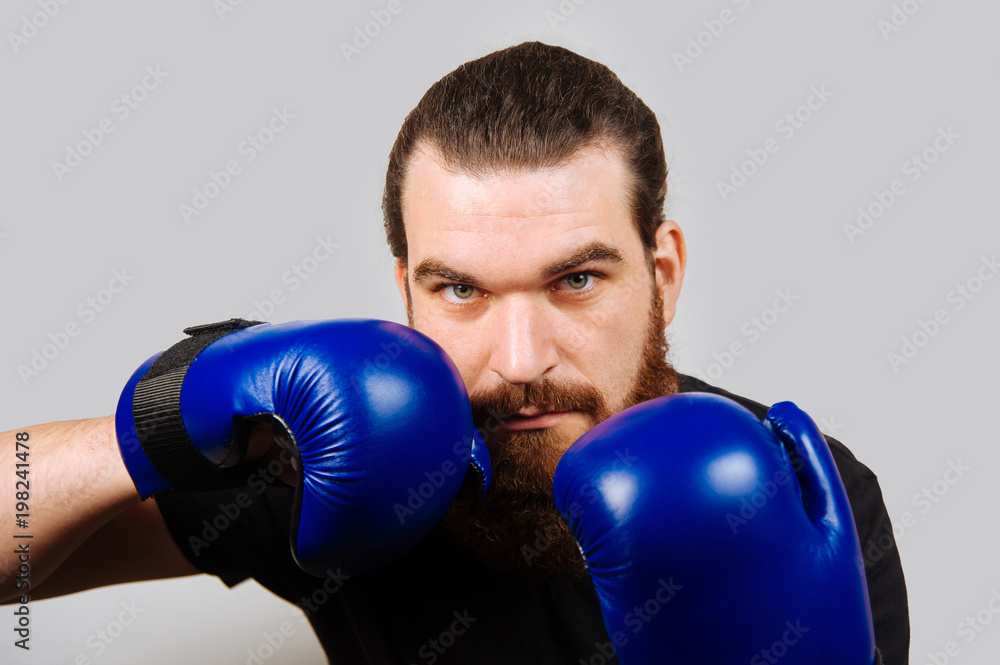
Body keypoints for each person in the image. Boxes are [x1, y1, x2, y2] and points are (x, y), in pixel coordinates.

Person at [1, 41, 908, 663]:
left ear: (661, 271)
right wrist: (161, 421)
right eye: (462, 290)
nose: (516, 359)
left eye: (576, 280)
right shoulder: (337, 463)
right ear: (406, 293)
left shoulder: (794, 493)